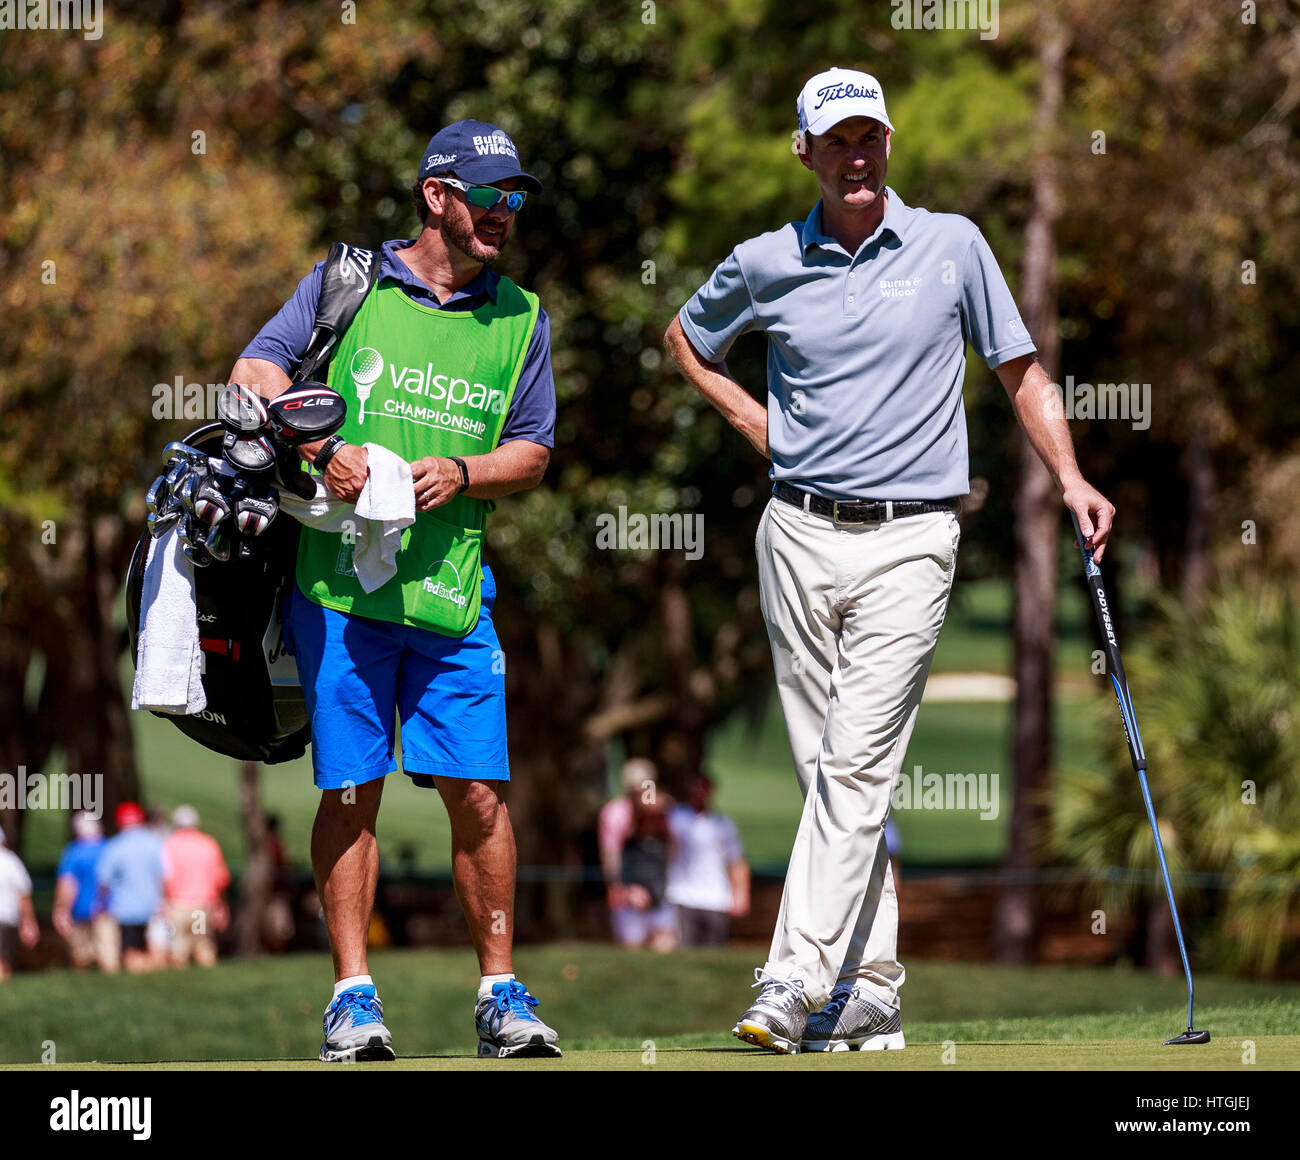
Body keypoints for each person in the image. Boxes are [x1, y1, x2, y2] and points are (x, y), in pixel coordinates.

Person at [665, 67, 1115, 1053]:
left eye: (869, 137)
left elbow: (1020, 371)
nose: (856, 154)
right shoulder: (764, 260)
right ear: (806, 154)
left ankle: (791, 978)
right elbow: (686, 339)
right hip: (795, 532)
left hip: (914, 534)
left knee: (856, 764)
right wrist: (750, 414)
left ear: (889, 143)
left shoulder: (952, 246)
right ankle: (870, 990)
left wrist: (1070, 475)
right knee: (832, 773)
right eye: (837, 141)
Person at [228, 120, 560, 1061]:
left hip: (453, 598)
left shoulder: (523, 316)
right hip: (337, 592)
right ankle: (353, 999)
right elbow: (254, 372)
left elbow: (533, 451)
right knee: (349, 793)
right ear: (436, 196)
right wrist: (319, 449)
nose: (505, 214)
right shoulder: (346, 284)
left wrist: (461, 470)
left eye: (516, 199)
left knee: (480, 795)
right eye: (489, 197)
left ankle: (502, 995)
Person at [665, 773, 750, 946]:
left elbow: (736, 861)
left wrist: (741, 894)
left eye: (703, 787)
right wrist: (647, 786)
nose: (698, 792)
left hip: (716, 898)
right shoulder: (675, 817)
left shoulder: (723, 824)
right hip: (683, 896)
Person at [96, 801, 165, 975]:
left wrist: (100, 904)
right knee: (152, 949)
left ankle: (141, 974)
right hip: (153, 907)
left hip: (125, 910)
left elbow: (104, 882)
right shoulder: (154, 843)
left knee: (131, 952)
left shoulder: (115, 846)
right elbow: (164, 876)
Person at [162, 805, 231, 968]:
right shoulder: (208, 844)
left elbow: (164, 877)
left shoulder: (169, 845)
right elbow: (221, 878)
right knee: (202, 945)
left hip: (177, 907)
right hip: (201, 907)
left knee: (178, 948)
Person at [52, 811, 107, 971]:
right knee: (106, 959)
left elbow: (67, 884)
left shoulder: (74, 853)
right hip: (107, 911)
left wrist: (61, 909)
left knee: (81, 959)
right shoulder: (109, 848)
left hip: (80, 911)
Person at [0, 829, 39, 981]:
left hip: (5, 918)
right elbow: (23, 895)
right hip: (7, 917)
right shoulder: (12, 862)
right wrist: (29, 921)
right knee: (3, 959)